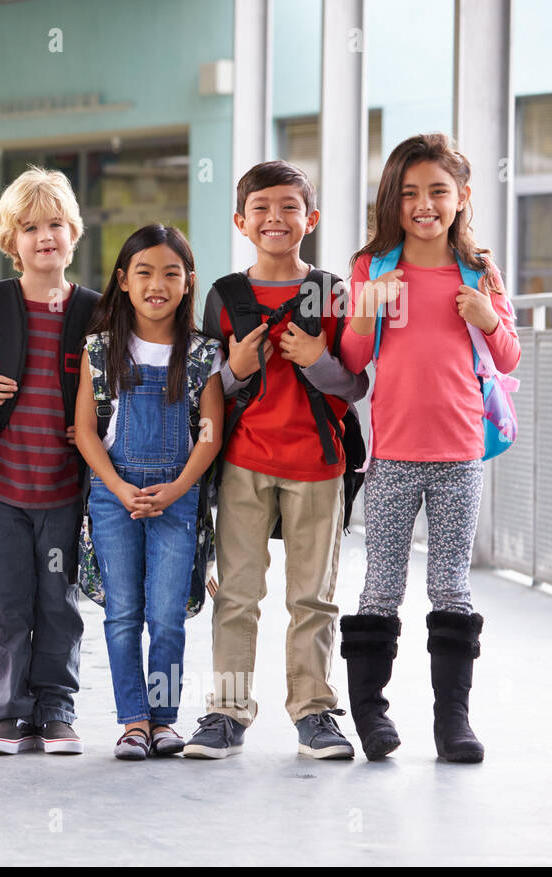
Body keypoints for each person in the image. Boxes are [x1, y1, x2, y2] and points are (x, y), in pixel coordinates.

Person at [339, 133, 519, 763]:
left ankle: (454, 724)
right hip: (391, 457)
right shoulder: (373, 269)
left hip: (461, 455)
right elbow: (352, 360)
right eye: (409, 193)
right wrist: (366, 310)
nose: (424, 204)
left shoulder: (480, 271)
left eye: (438, 191)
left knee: (452, 587)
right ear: (391, 201)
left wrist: (486, 317)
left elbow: (508, 355)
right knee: (381, 585)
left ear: (462, 197)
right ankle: (370, 714)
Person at [184, 160, 369, 760]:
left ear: (310, 219)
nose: (275, 218)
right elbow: (204, 386)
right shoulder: (225, 295)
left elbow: (354, 386)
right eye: (261, 208)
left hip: (318, 463)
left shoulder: (330, 291)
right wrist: (234, 370)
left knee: (312, 599)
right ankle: (226, 712)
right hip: (243, 462)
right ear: (241, 221)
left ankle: (315, 713)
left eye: (290, 207)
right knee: (236, 595)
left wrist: (317, 357)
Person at [0, 167, 100, 755]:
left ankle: (57, 710)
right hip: (0, 488)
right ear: (10, 241)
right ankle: (9, 713)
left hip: (65, 489)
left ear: (73, 232)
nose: (44, 236)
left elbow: (114, 384)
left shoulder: (95, 312)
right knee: (7, 602)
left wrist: (93, 421)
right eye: (30, 227)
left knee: (58, 602)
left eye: (55, 224)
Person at [74, 224, 223, 760]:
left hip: (177, 498)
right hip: (113, 497)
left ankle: (164, 720)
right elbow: (87, 431)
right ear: (123, 281)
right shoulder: (102, 348)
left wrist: (179, 488)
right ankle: (133, 720)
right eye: (144, 272)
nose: (157, 284)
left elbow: (209, 432)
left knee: (166, 615)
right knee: (122, 615)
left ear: (188, 284)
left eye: (170, 273)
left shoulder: (203, 352)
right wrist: (117, 486)